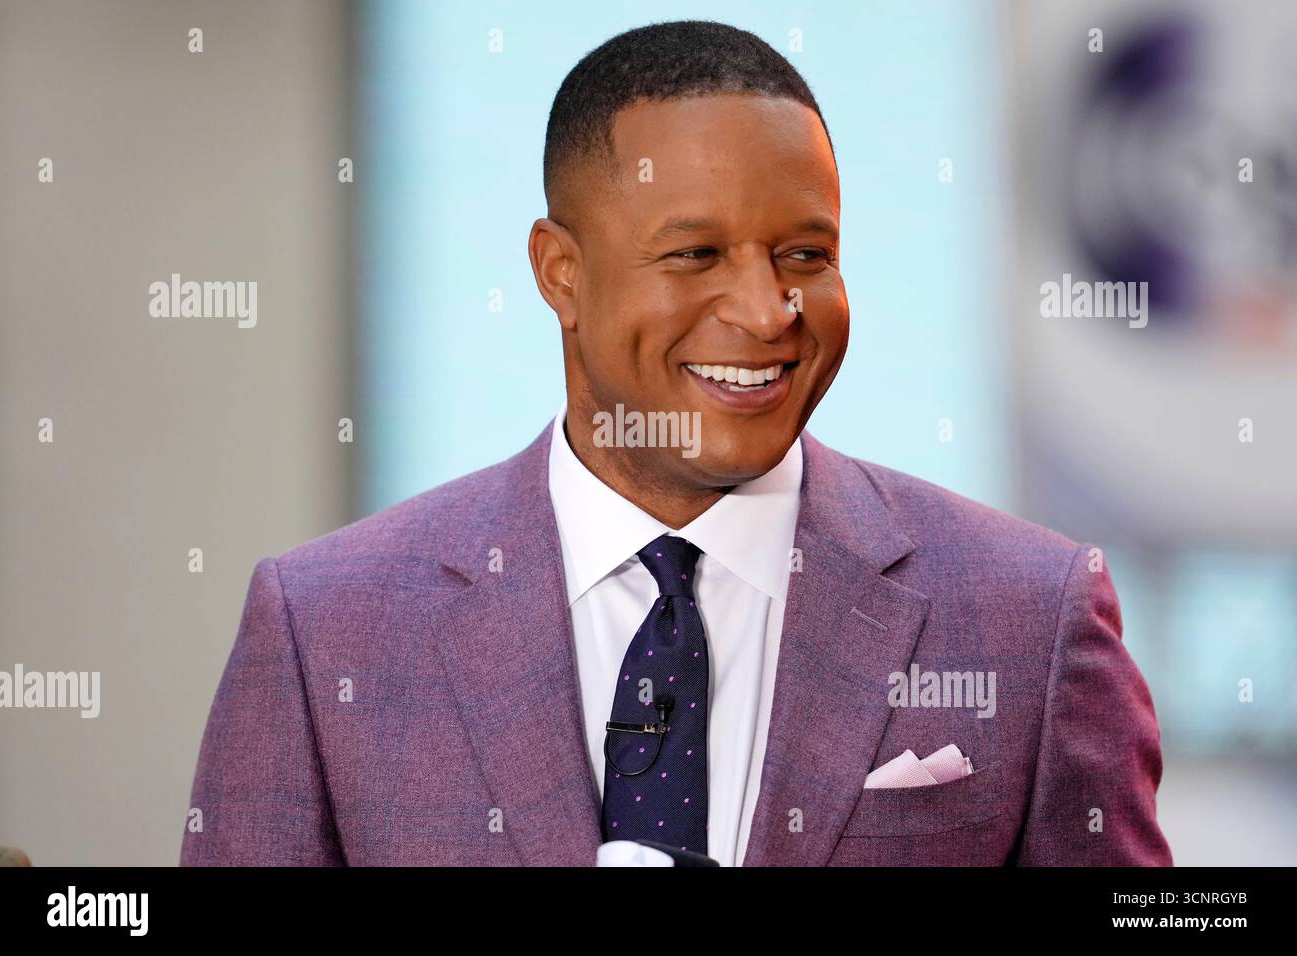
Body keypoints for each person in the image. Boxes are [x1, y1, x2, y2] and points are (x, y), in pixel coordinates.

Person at [181, 19, 1172, 867]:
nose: (765, 308)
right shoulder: (323, 631)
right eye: (695, 253)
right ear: (559, 271)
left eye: (805, 253)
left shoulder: (1030, 618)